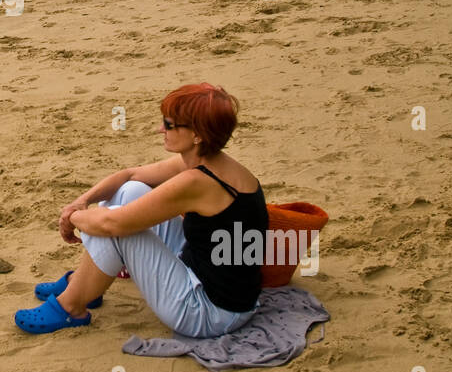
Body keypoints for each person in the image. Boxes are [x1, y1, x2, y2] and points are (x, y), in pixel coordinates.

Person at [14, 83, 266, 336]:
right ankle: (85, 285)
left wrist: (73, 218)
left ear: (197, 135)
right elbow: (130, 175)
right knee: (129, 190)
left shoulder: (198, 182)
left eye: (169, 125)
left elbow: (113, 224)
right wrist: (82, 201)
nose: (160, 129)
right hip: (213, 277)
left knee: (117, 229)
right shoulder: (212, 163)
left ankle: (71, 307)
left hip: (210, 313)